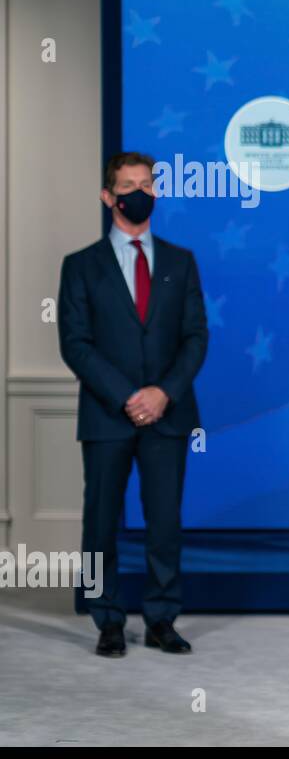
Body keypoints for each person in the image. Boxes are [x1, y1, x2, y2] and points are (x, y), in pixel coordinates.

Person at [57, 152, 209, 656]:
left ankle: (163, 619)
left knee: (164, 521)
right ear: (108, 196)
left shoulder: (181, 262)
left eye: (146, 183)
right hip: (106, 417)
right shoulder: (80, 266)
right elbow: (75, 343)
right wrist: (128, 396)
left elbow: (195, 338)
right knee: (100, 521)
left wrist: (162, 393)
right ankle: (108, 622)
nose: (138, 192)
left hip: (168, 416)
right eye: (128, 185)